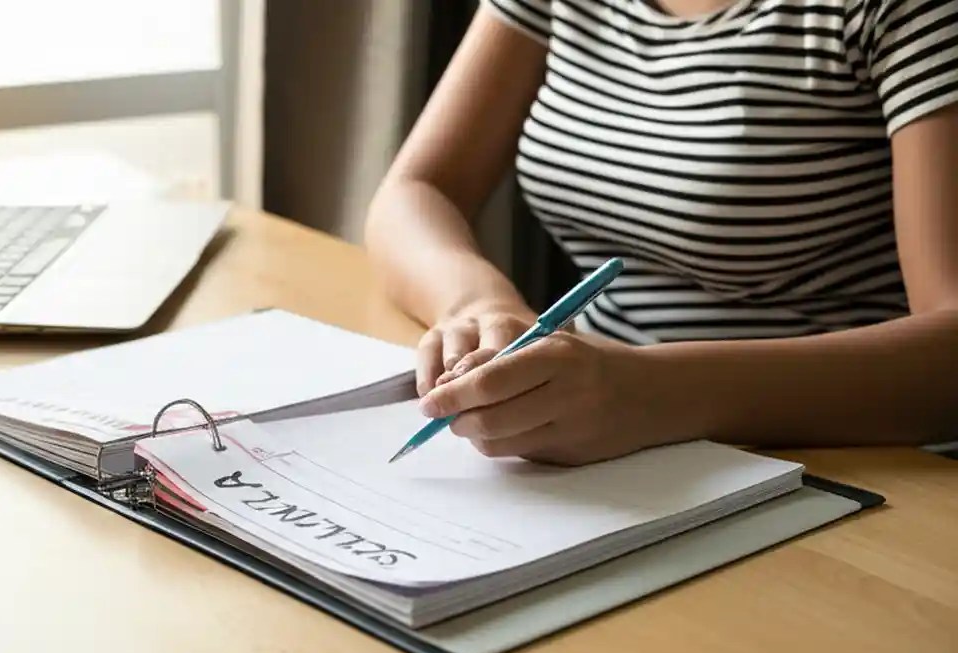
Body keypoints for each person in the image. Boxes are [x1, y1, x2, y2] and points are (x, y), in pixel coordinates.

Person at [363, 0, 958, 465]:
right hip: (608, 435)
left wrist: (655, 395)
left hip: (849, 463)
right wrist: (481, 306)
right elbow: (414, 192)